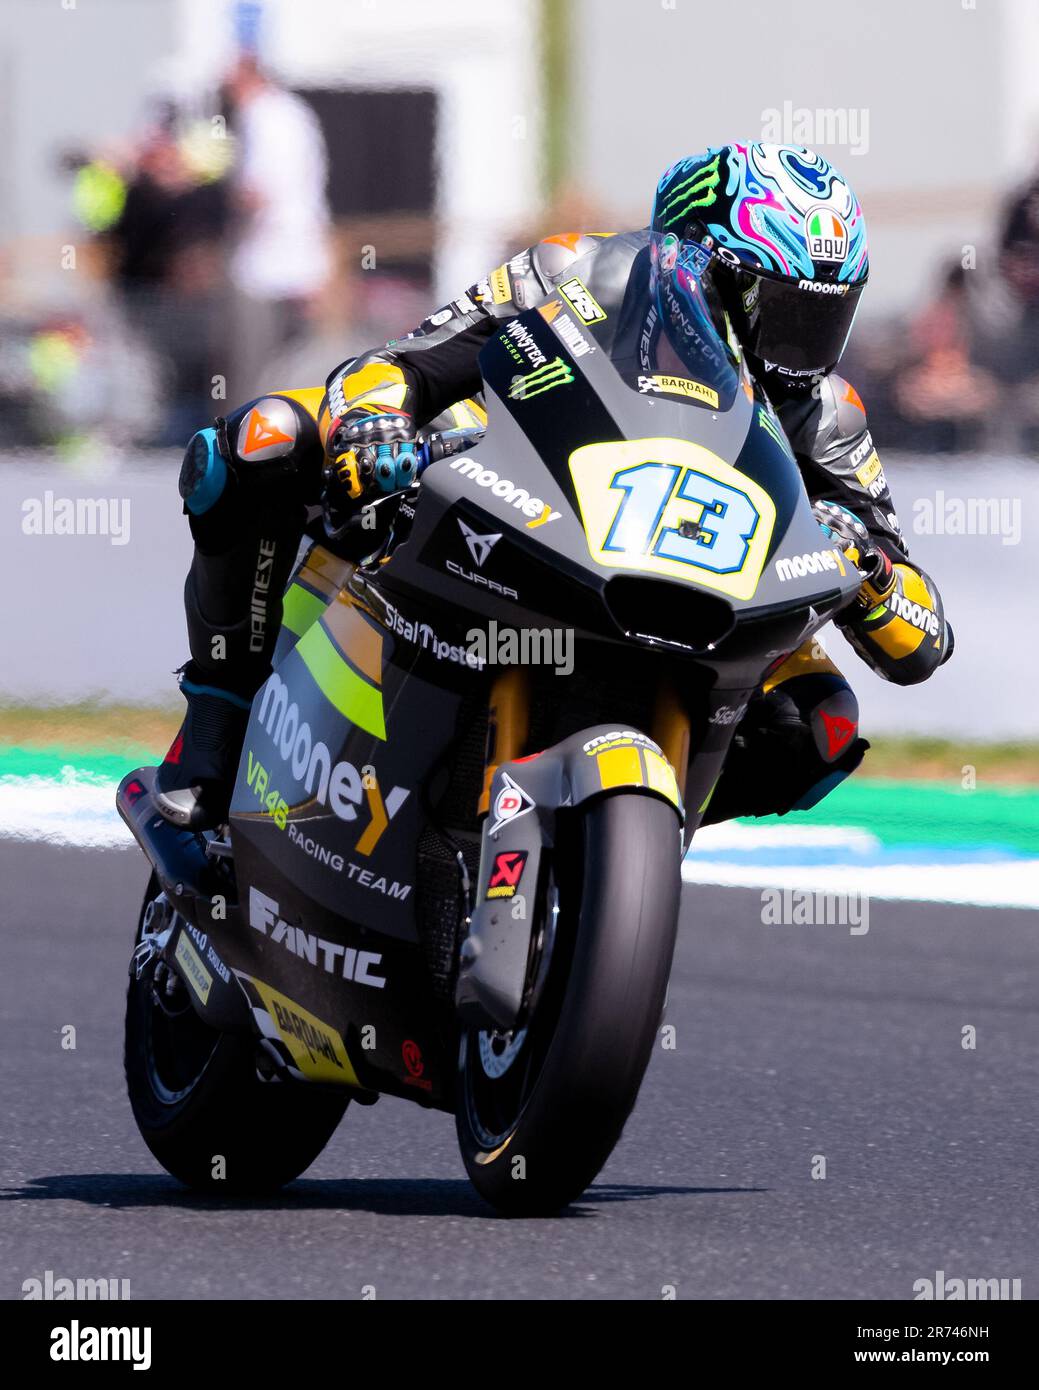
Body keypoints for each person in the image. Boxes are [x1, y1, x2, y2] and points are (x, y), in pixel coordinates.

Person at [154, 142, 952, 831]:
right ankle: (221, 710)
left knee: (819, 723)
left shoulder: (825, 415)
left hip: (695, 596)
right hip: (501, 508)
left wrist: (870, 571)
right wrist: (374, 423)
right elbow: (403, 363)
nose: (799, 346)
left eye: (822, 317)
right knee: (263, 438)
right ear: (698, 264)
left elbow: (919, 642)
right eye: (779, 310)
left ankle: (611, 830)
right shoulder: (572, 270)